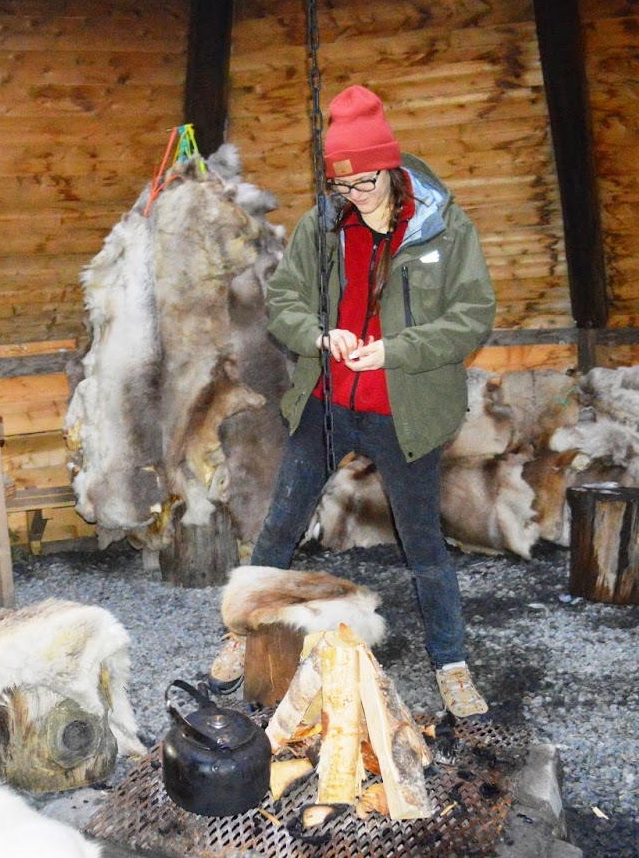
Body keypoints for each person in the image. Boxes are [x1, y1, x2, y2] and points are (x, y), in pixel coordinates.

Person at [210, 85, 497, 716]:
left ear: (390, 165)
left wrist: (397, 350)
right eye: (342, 184)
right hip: (327, 403)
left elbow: (472, 315)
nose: (356, 194)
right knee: (280, 525)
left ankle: (451, 663)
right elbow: (284, 302)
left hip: (405, 412)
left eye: (366, 180)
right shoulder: (322, 226)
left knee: (424, 545)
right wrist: (320, 334)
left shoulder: (443, 227)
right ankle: (240, 636)